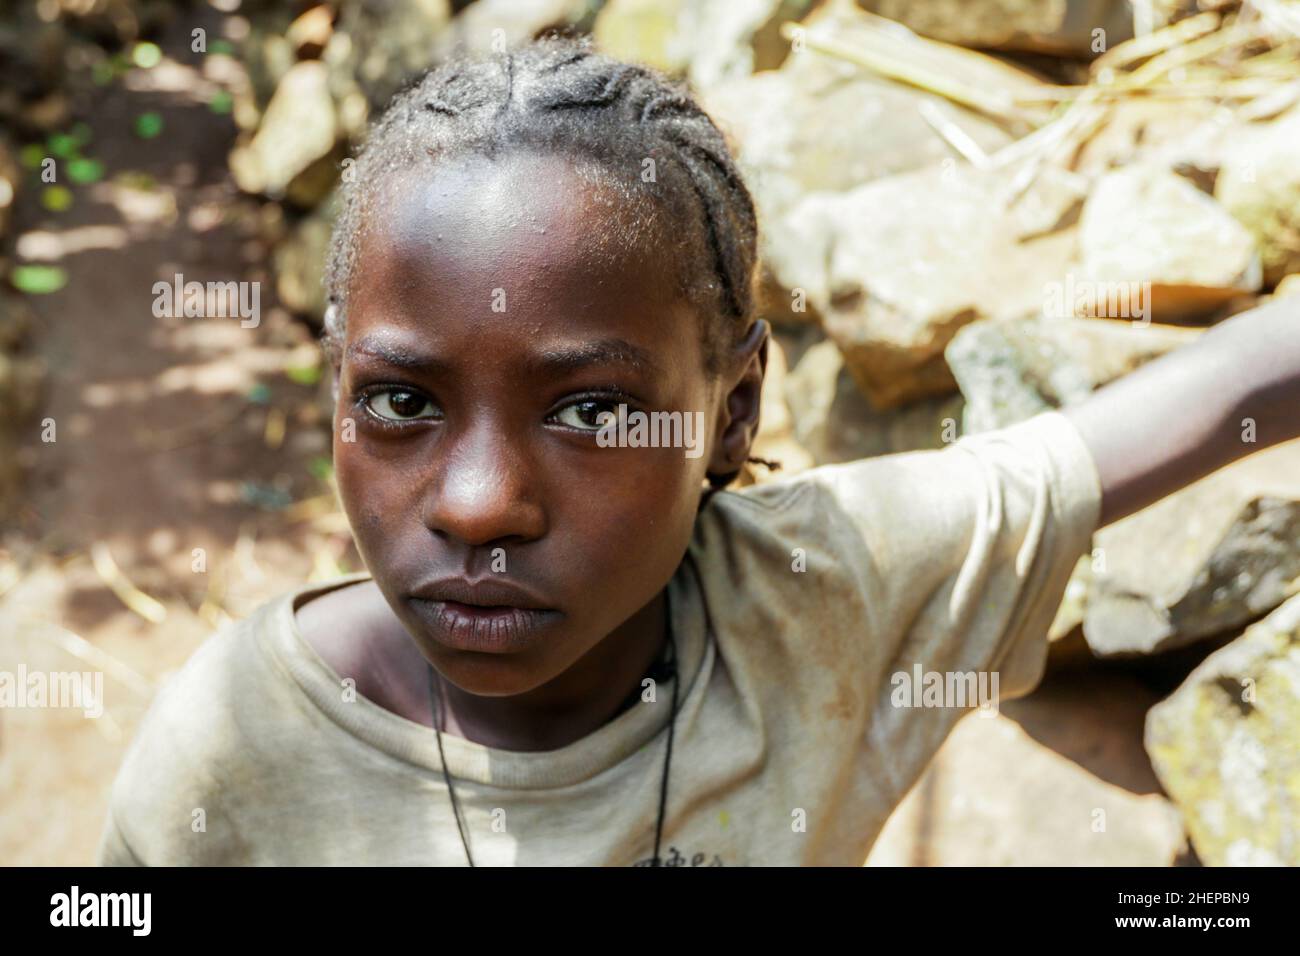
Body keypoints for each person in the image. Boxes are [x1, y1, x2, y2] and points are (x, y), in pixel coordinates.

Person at [98, 38, 1300, 866]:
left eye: (595, 413)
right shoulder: (233, 746)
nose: (478, 504)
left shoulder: (829, 593)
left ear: (731, 412)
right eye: (403, 402)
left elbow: (1200, 401)